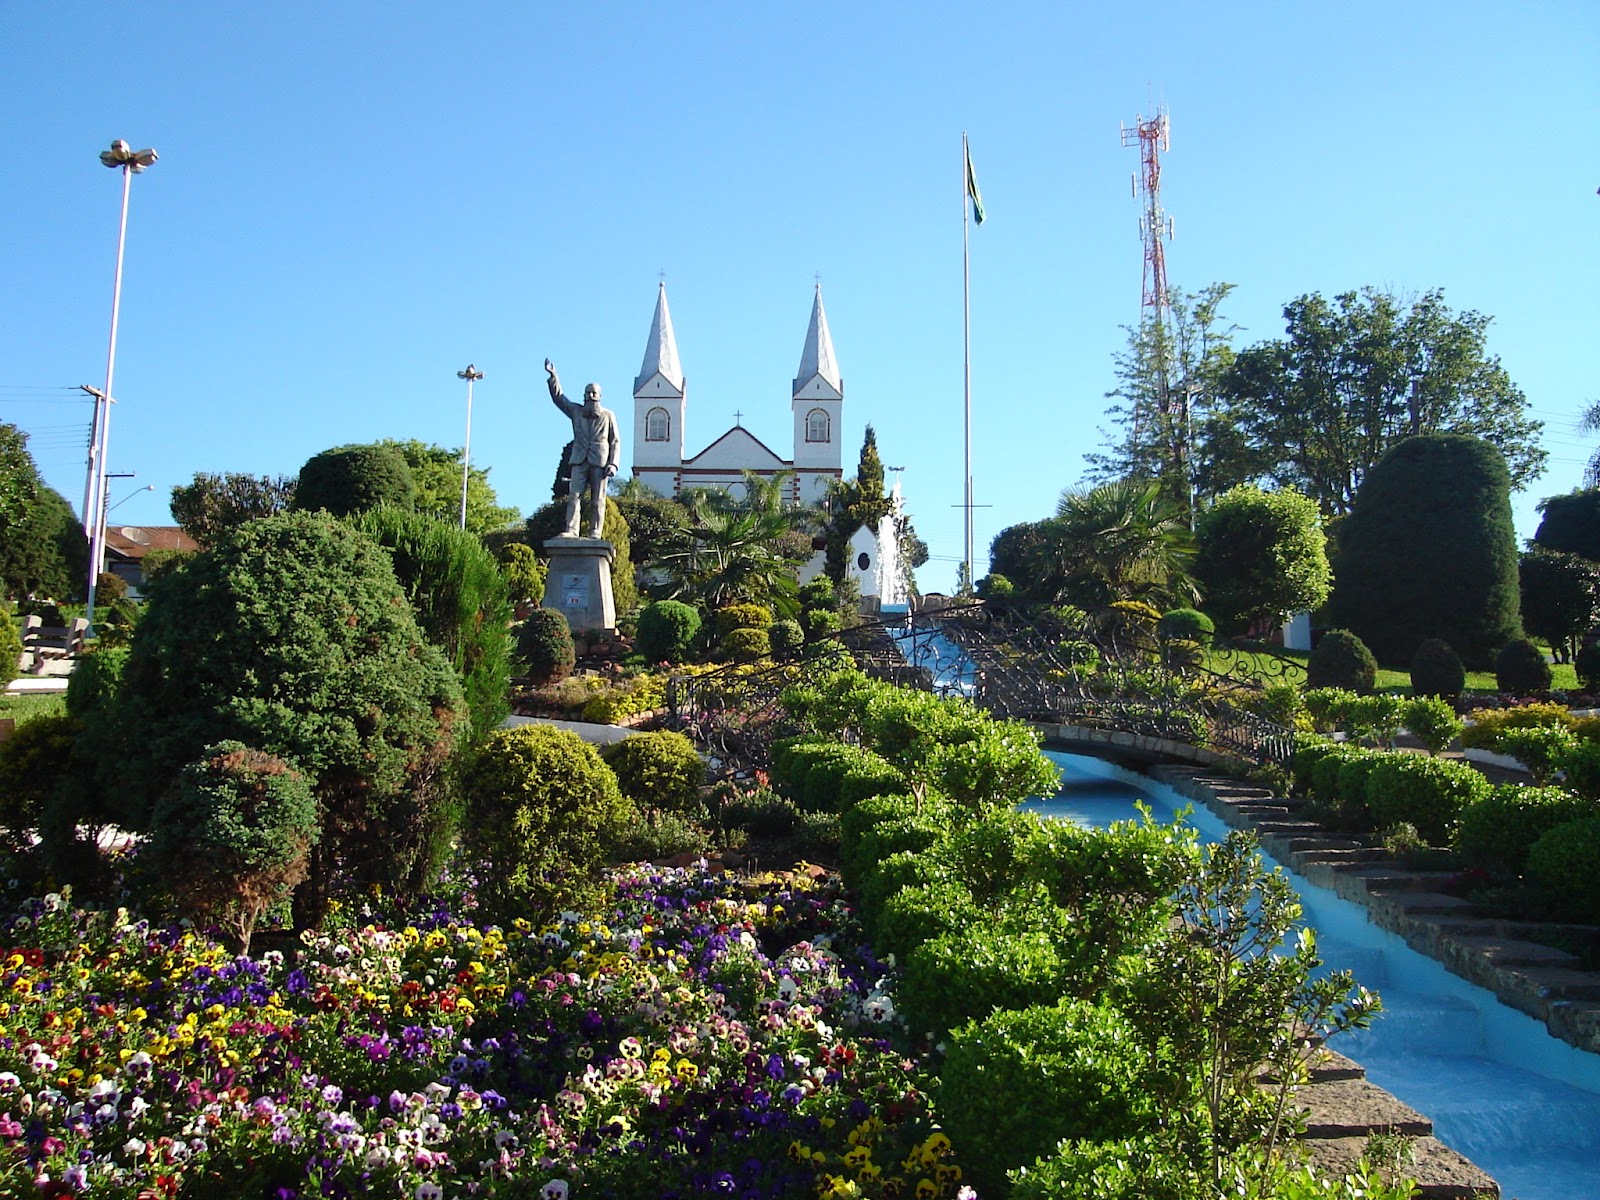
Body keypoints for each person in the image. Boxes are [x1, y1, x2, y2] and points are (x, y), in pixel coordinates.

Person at [545, 358, 621, 539]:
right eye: (588, 393)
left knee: (598, 500)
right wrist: (553, 376)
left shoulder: (609, 415)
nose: (591, 396)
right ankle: (571, 529)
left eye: (594, 393)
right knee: (574, 496)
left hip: (600, 462)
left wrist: (613, 464)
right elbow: (559, 398)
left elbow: (615, 441)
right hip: (579, 459)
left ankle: (595, 531)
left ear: (600, 396)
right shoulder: (576, 412)